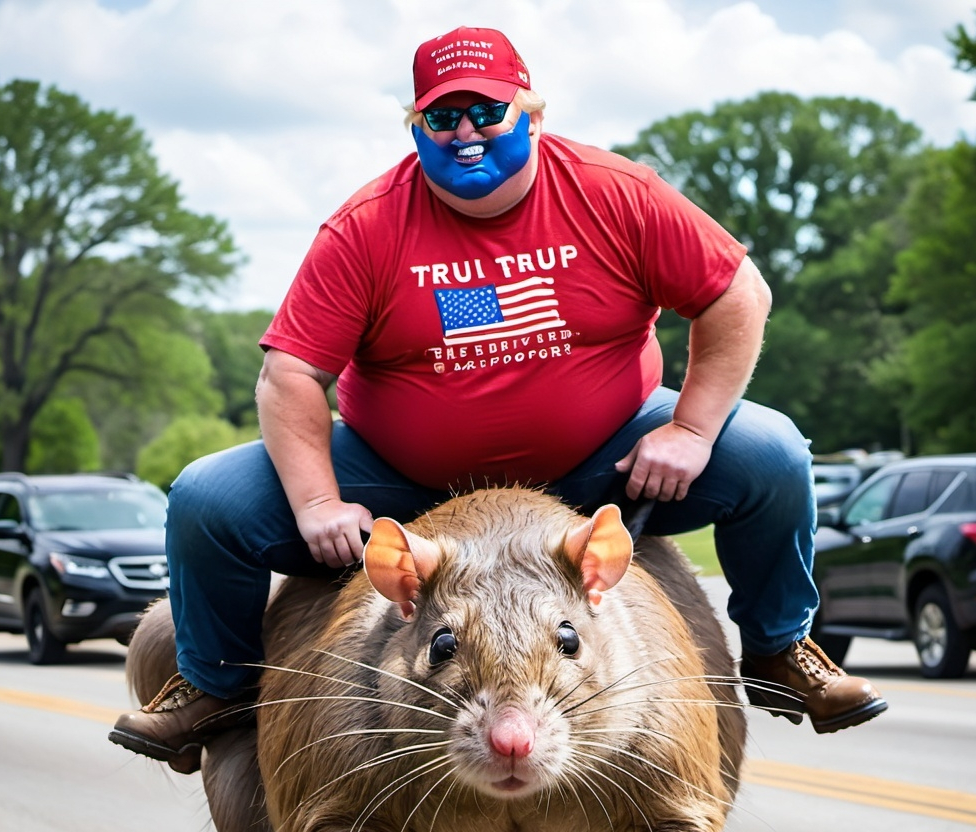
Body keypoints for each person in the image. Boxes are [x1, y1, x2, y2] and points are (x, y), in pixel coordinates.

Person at [110, 25, 886, 772]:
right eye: (442, 117)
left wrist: (690, 427)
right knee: (208, 499)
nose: (466, 132)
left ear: (534, 115)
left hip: (602, 460)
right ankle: (213, 689)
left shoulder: (616, 193)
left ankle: (781, 650)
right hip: (402, 479)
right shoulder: (366, 228)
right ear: (416, 126)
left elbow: (737, 294)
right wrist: (317, 504)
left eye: (487, 111)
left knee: (773, 453)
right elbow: (290, 375)